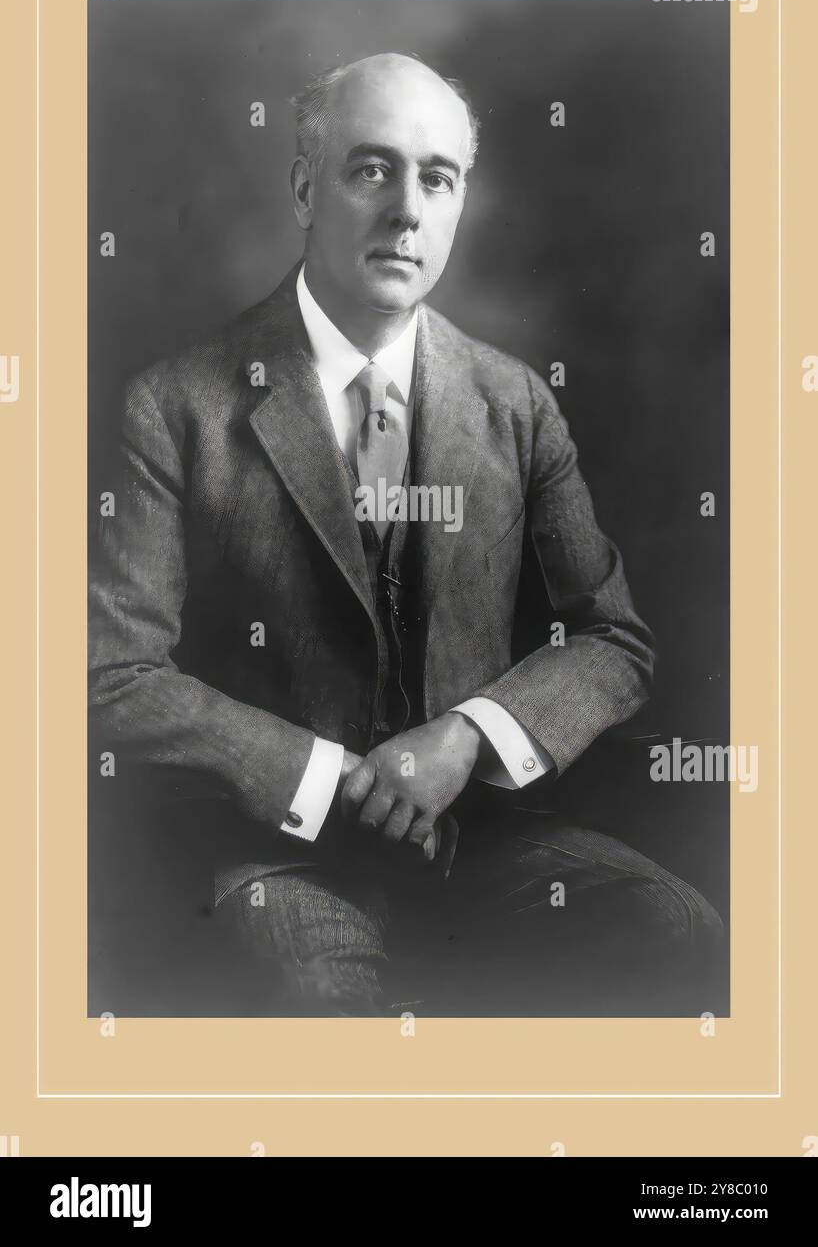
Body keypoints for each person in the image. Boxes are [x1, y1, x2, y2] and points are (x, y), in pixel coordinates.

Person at [89, 51, 725, 1017]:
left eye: (439, 177)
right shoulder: (175, 406)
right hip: (281, 856)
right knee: (319, 1002)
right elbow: (113, 675)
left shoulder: (514, 402)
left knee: (674, 930)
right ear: (305, 189)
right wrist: (330, 779)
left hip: (484, 841)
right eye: (372, 169)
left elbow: (613, 639)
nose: (408, 211)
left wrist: (467, 738)